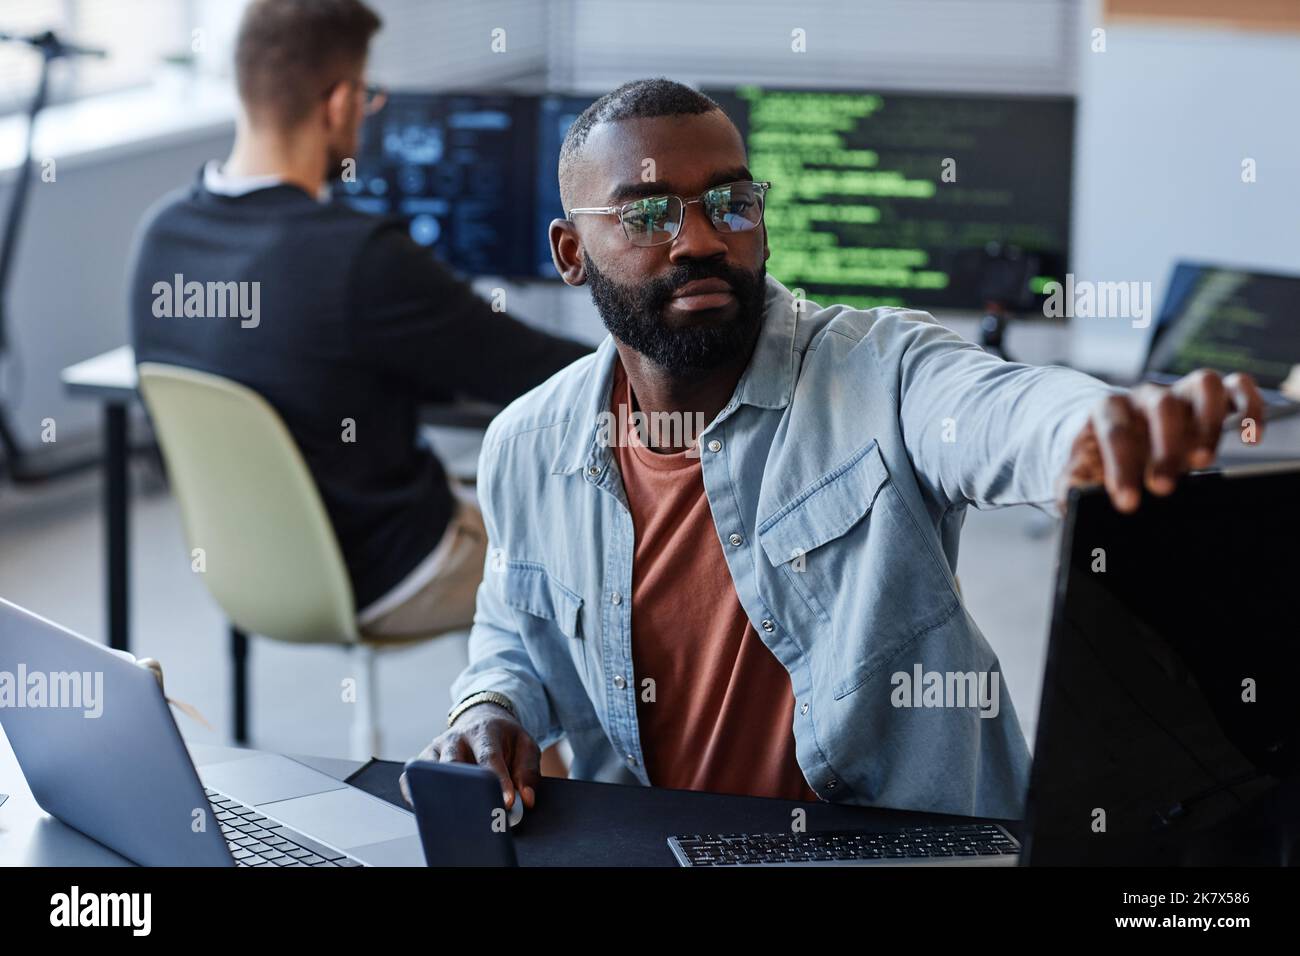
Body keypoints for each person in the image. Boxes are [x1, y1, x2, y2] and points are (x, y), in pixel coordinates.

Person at [406, 78, 1264, 819]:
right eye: (650, 214)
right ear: (570, 253)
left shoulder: (880, 370)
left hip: (901, 856)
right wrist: (493, 706)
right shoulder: (527, 443)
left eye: (733, 203)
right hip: (657, 844)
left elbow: (999, 407)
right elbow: (514, 640)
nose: (701, 241)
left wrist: (1095, 427)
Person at [128, 0, 590, 642]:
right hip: (394, 569)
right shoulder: (360, 256)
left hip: (247, 570)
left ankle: (506, 734)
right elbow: (541, 373)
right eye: (367, 96)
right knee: (587, 551)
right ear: (341, 101)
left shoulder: (161, 234)